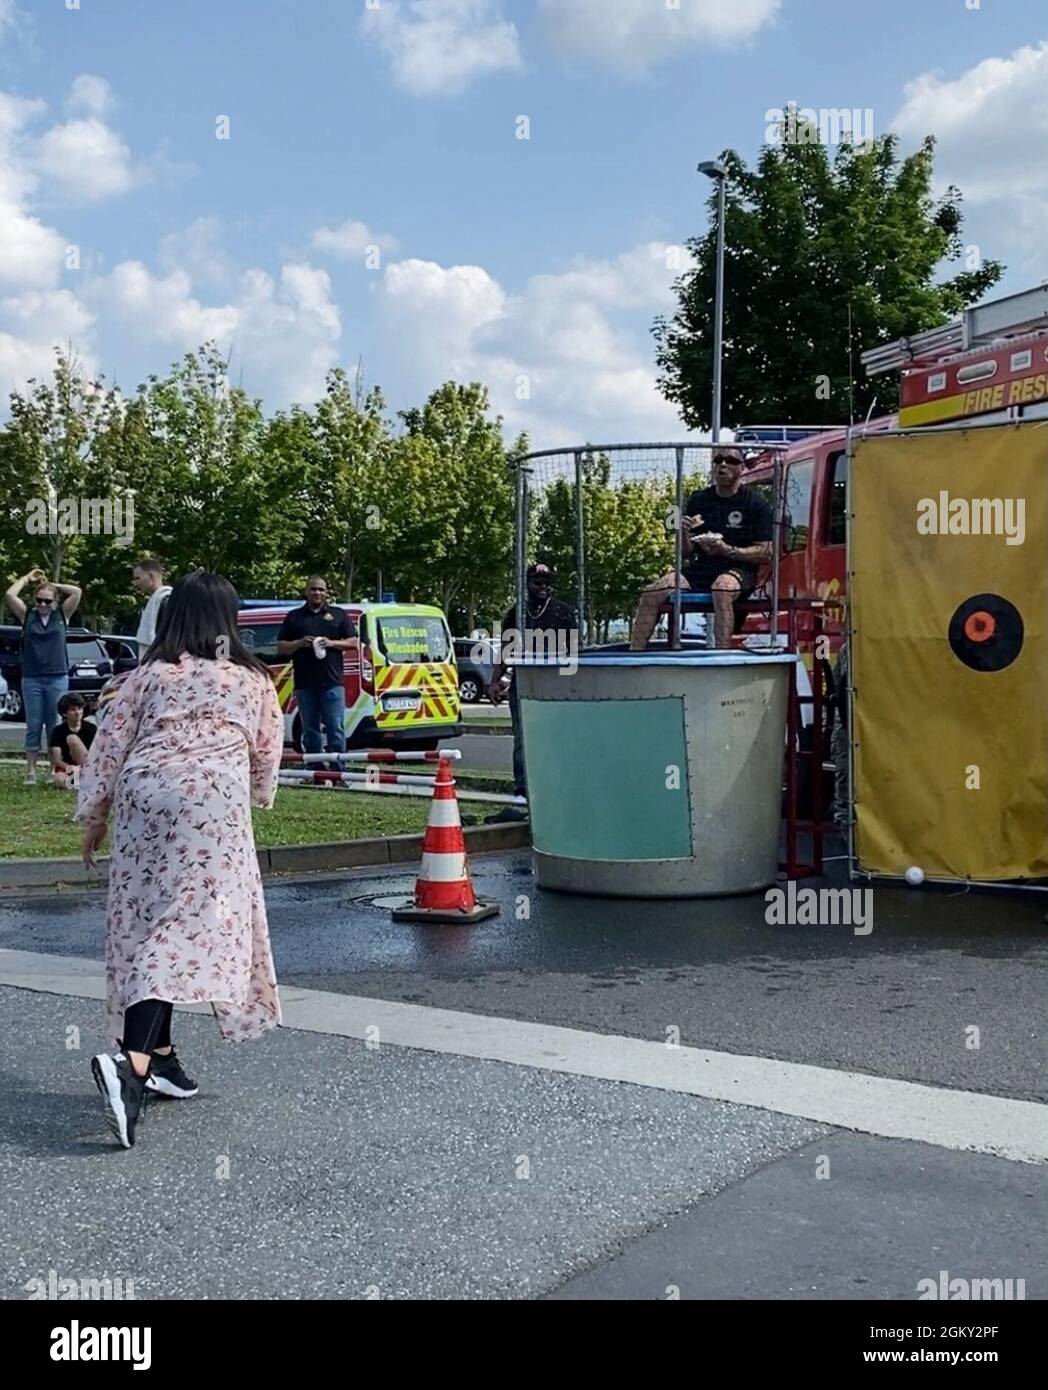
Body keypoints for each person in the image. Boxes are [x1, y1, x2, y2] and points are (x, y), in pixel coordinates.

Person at [76, 571, 284, 1149]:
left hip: (145, 797)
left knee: (147, 920)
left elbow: (108, 746)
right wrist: (258, 794)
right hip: (210, 806)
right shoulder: (252, 680)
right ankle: (133, 1065)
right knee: (181, 932)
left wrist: (94, 816)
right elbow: (268, 758)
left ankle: (161, 1057)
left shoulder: (147, 676)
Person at [631, 450, 773, 650]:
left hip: (739, 569)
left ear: (741, 468)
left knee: (721, 588)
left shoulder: (754, 503)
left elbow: (766, 552)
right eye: (718, 460)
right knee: (653, 591)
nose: (722, 465)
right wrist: (683, 533)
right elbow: (686, 553)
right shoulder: (700, 500)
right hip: (702, 569)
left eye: (730, 461)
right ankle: (634, 656)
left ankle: (721, 656)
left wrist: (728, 550)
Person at [489, 563, 579, 816]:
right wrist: (495, 681)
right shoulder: (517, 613)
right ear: (527, 584)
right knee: (522, 739)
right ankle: (522, 792)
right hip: (522, 682)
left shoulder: (563, 612)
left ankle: (556, 788)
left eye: (547, 583)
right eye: (538, 582)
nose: (543, 587)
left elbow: (572, 655)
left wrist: (570, 686)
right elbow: (505, 651)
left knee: (554, 738)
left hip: (553, 683)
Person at [4, 568, 83, 784]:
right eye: (39, 600)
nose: (43, 605)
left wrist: (53, 586)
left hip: (57, 676)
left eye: (48, 601)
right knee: (34, 724)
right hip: (32, 677)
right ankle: (30, 771)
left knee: (54, 724)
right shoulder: (28, 616)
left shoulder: (62, 616)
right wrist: (27, 579)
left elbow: (76, 592)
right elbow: (11, 595)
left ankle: (52, 770)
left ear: (56, 602)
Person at [275, 576, 357, 767]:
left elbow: (353, 642)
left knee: (335, 729)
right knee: (310, 731)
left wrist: (331, 643)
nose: (317, 593)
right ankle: (315, 772)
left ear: (327, 592)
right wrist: (299, 643)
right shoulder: (294, 617)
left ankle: (338, 772)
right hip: (305, 684)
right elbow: (280, 647)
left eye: (321, 589)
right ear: (307, 591)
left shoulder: (338, 615)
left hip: (332, 683)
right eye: (313, 589)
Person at [49, 692, 97, 788]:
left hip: (87, 766)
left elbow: (96, 753)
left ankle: (86, 779)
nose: (77, 713)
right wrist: (72, 769)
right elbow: (57, 760)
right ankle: (80, 783)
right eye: (72, 710)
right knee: (59, 779)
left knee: (72, 739)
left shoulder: (91, 728)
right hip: (68, 768)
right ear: (64, 713)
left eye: (79, 709)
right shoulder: (58, 731)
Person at [132, 557, 171, 651]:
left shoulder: (166, 600)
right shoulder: (155, 601)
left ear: (151, 576)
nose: (135, 583)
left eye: (138, 578)